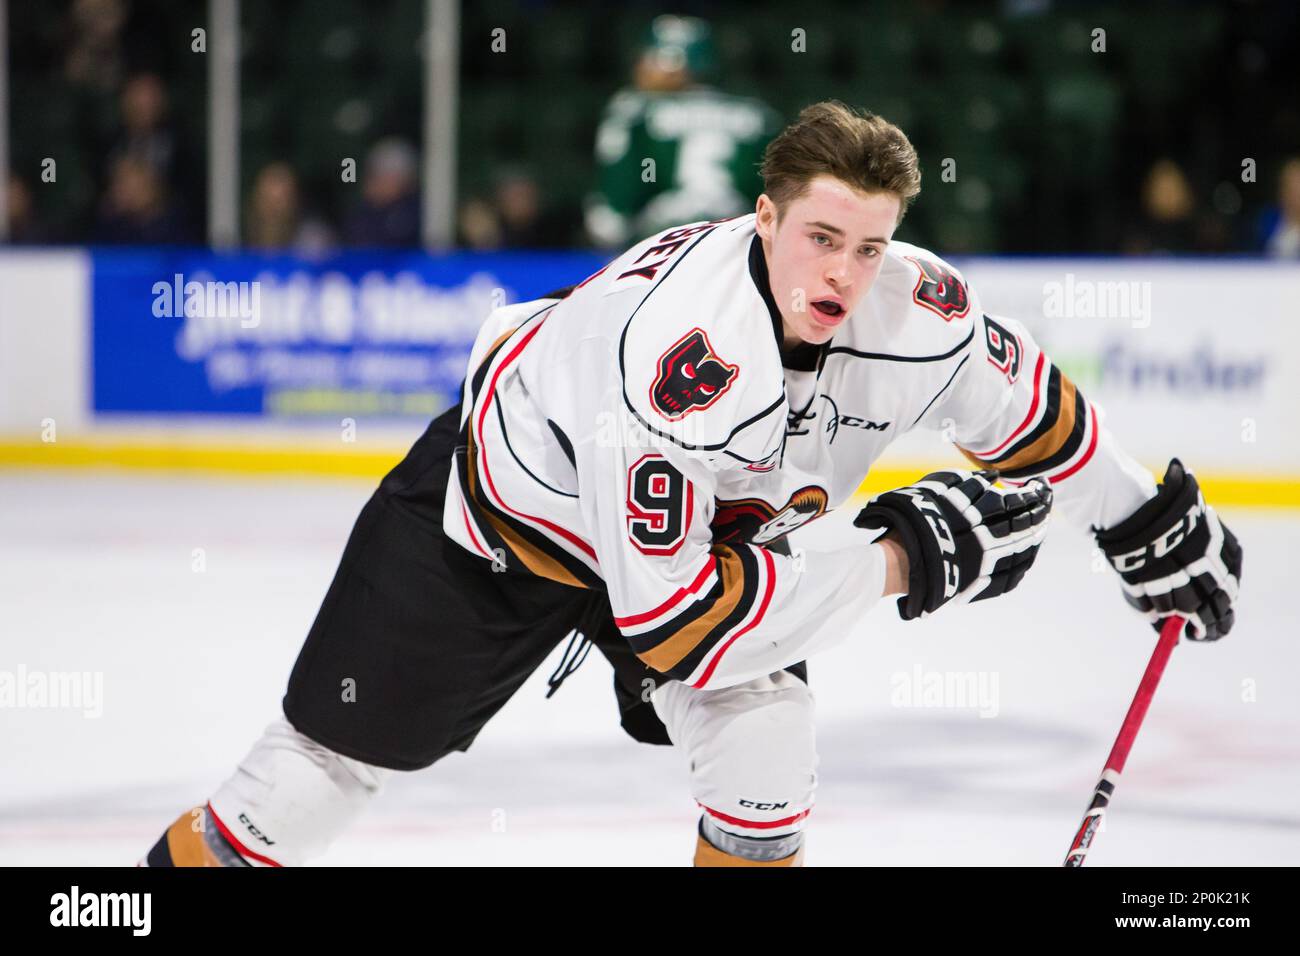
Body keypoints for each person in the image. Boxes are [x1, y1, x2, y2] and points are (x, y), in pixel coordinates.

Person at [143, 102, 1241, 867]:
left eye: (869, 246)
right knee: (307, 787)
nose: (843, 275)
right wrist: (904, 556)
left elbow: (1035, 414)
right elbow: (669, 626)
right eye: (819, 236)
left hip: (701, 549)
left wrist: (1140, 516)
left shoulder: (919, 307)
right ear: (761, 218)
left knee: (766, 743)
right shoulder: (681, 352)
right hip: (496, 532)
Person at [584, 15, 782, 249]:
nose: (641, 67)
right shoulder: (758, 115)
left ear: (678, 65)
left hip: (662, 241)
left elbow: (612, 213)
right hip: (740, 241)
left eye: (651, 59)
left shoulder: (636, 110)